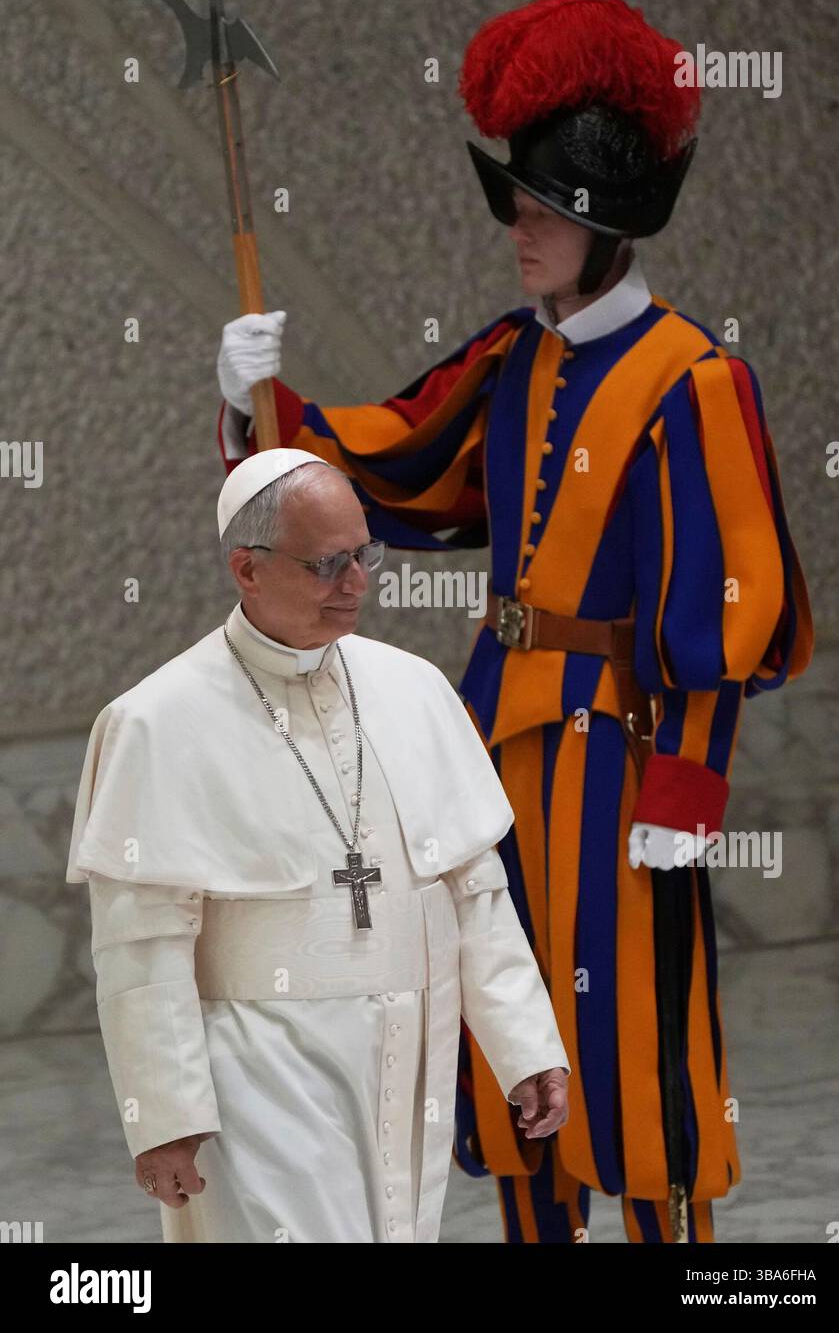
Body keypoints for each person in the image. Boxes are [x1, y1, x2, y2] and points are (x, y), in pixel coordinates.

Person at [214, 0, 814, 1243]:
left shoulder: (693, 381)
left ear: (603, 230)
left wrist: (686, 795)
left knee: (634, 1042)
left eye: (542, 211)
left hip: (624, 756)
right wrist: (257, 404)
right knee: (510, 1024)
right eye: (516, 205)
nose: (519, 230)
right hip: (491, 751)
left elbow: (721, 608)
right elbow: (388, 473)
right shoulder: (509, 359)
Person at [66, 447, 571, 1243]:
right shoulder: (156, 721)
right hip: (258, 1071)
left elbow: (475, 890)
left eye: (365, 554)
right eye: (328, 563)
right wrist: (163, 1112)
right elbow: (141, 944)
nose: (357, 581)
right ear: (247, 568)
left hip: (406, 1060)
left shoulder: (414, 689)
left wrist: (527, 1045)